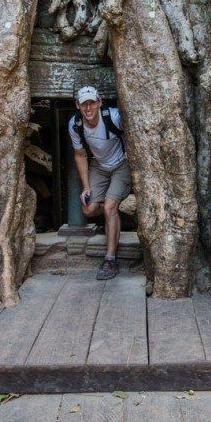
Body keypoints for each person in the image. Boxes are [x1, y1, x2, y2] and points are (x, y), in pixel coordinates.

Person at [69, 86, 132, 280]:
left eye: (92, 103)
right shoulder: (75, 124)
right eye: (84, 104)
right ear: (77, 105)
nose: (88, 108)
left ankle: (110, 259)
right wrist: (86, 187)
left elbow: (133, 133)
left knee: (109, 207)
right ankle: (112, 215)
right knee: (88, 209)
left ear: (99, 102)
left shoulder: (112, 117)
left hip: (121, 165)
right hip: (98, 166)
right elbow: (80, 154)